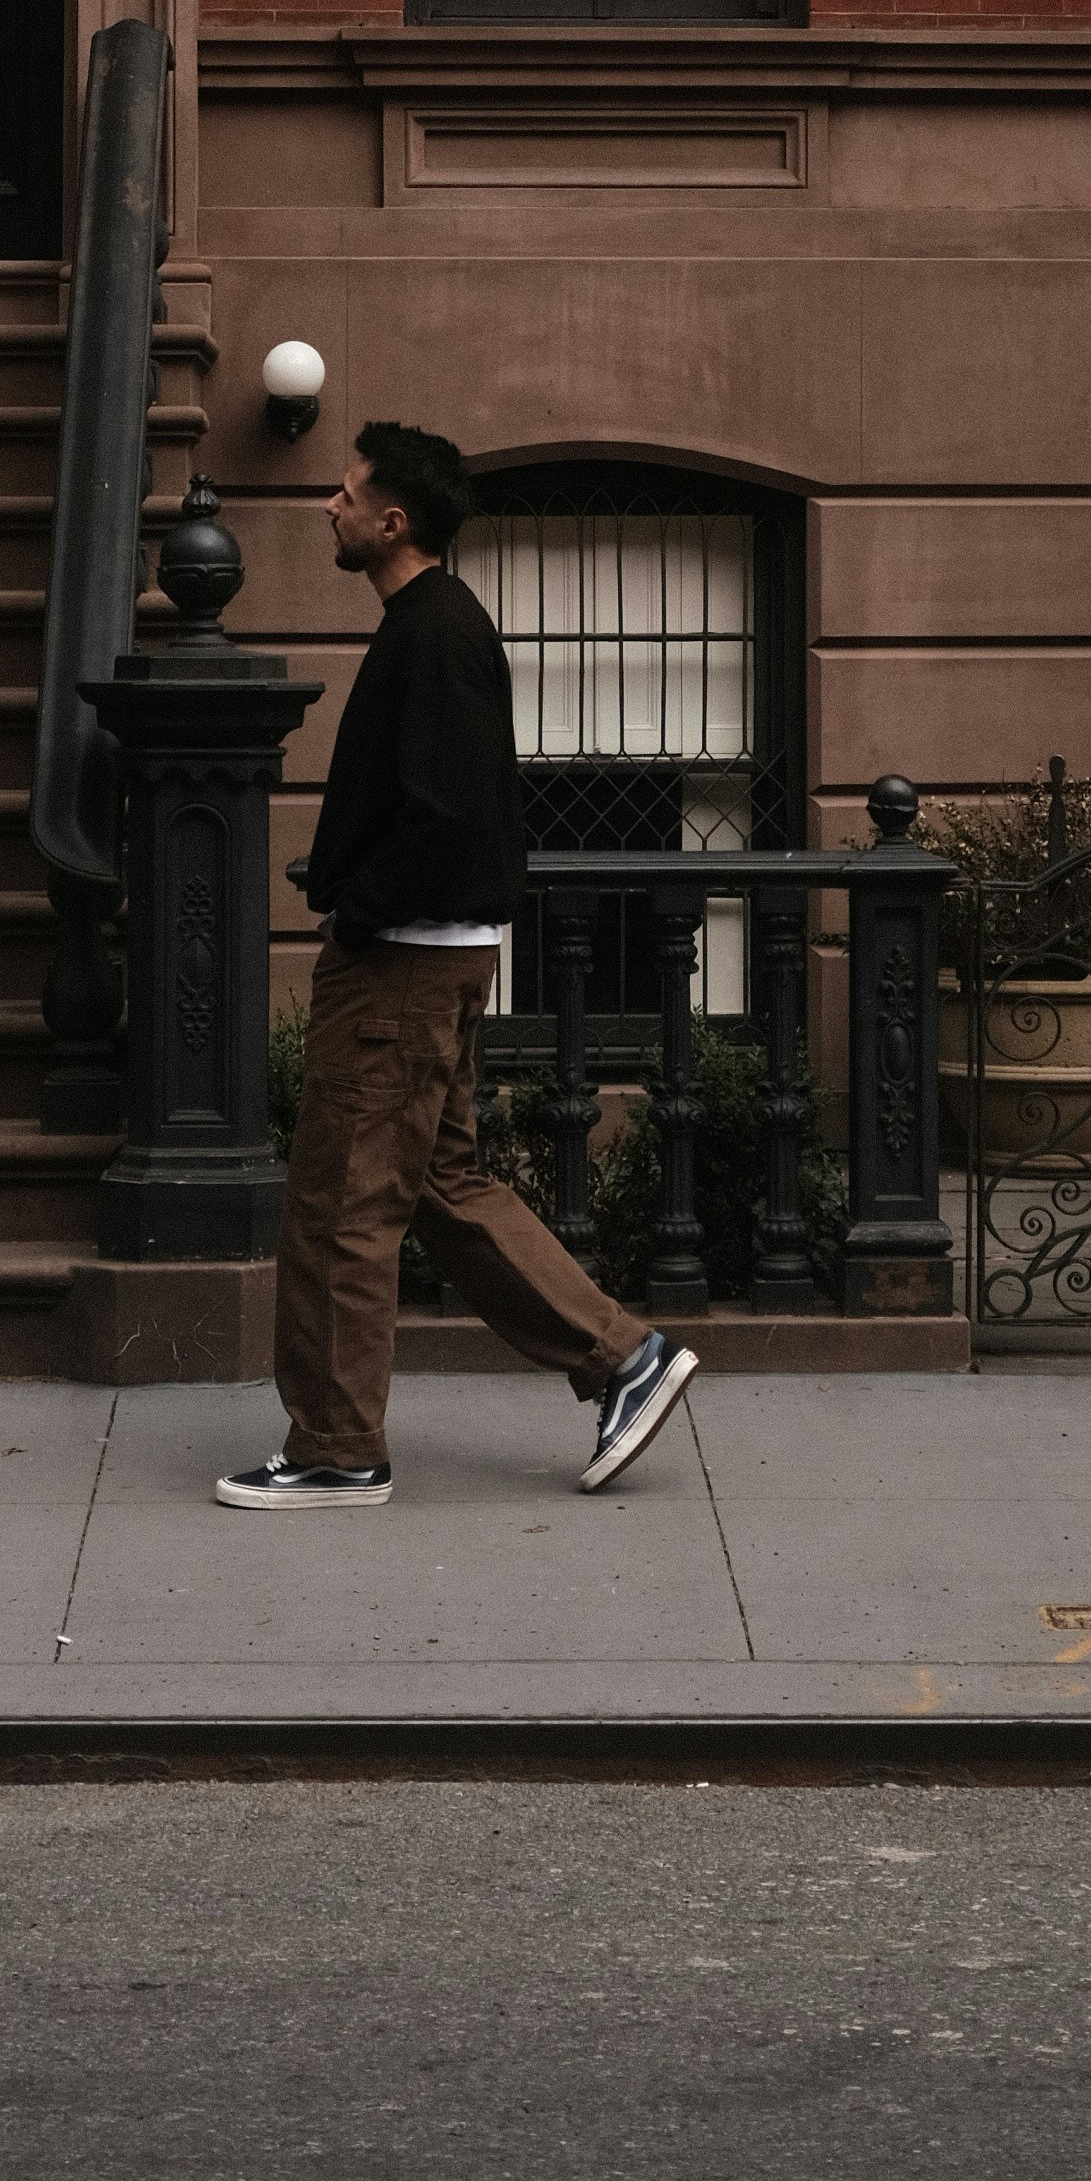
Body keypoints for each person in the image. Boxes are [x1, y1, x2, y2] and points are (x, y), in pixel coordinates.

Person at [214, 418, 699, 1513]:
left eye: (344, 495)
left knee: (343, 1205)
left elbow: (445, 818)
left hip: (401, 970)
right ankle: (621, 1357)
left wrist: (359, 906)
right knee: (443, 1184)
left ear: (392, 521)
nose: (327, 508)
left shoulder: (429, 634)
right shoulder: (436, 625)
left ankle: (337, 1449)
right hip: (433, 959)